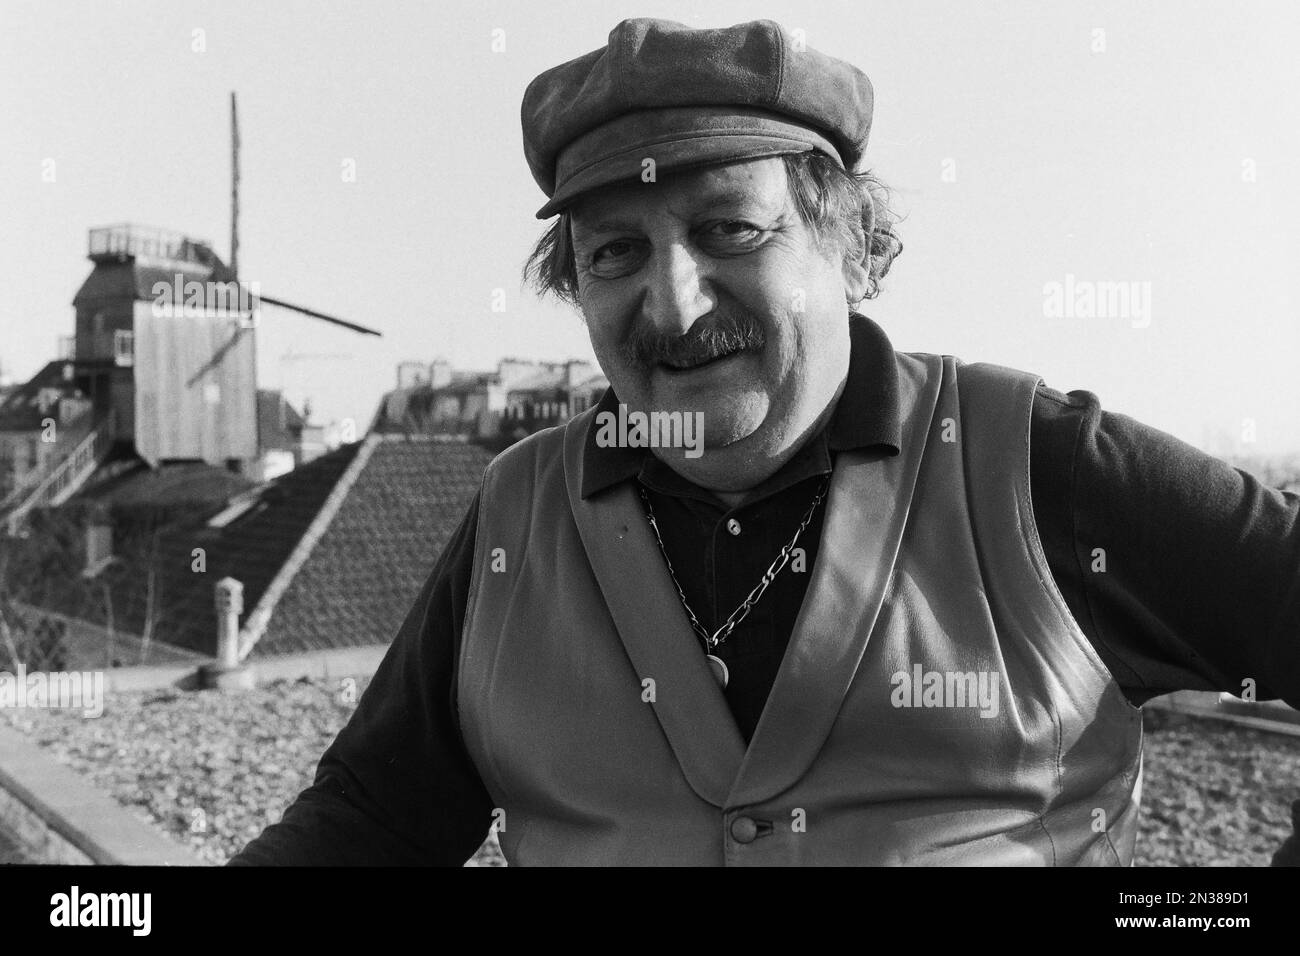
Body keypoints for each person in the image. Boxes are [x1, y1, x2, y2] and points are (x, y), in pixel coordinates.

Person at [230, 18, 1300, 866]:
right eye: (613, 252)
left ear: (855, 248)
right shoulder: (519, 511)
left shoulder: (1038, 471)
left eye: (728, 229)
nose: (672, 301)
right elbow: (377, 814)